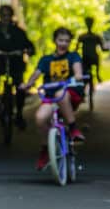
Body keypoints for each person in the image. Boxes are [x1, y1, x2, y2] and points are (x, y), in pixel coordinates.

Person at [32, 26, 86, 171]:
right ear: (55, 41)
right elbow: (36, 74)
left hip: (69, 94)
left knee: (59, 93)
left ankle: (73, 128)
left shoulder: (73, 56)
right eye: (60, 40)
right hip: (50, 96)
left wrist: (78, 76)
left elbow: (77, 70)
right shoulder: (46, 59)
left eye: (67, 41)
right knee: (40, 118)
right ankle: (47, 147)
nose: (63, 43)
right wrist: (27, 84)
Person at [79, 16, 107, 108]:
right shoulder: (93, 36)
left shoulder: (87, 36)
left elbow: (76, 48)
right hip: (89, 58)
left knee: (86, 71)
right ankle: (97, 76)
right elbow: (103, 48)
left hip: (89, 58)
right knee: (84, 72)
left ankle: (98, 75)